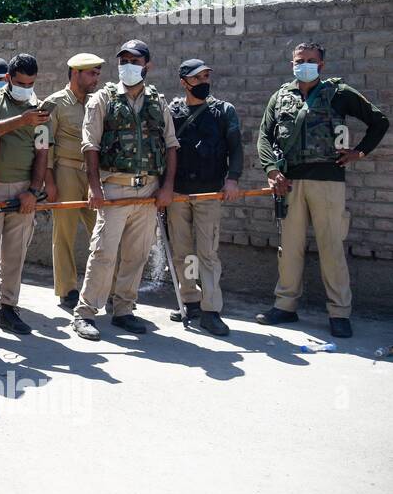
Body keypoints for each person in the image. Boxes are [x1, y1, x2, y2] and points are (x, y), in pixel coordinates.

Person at [256, 42, 387, 338]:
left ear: (322, 66)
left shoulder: (339, 94)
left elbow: (378, 121)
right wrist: (272, 170)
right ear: (292, 63)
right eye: (299, 60)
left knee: (331, 248)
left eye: (311, 60)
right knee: (289, 248)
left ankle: (339, 313)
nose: (304, 64)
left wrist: (359, 153)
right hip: (290, 182)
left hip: (328, 182)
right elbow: (264, 136)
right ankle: (285, 306)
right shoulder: (280, 97)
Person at [70, 40, 179, 340]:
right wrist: (94, 187)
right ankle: (85, 312)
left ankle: (123, 310)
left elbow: (171, 145)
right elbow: (90, 145)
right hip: (114, 190)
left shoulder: (158, 101)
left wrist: (167, 186)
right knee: (103, 253)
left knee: (136, 255)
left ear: (147, 65)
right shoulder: (103, 99)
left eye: (135, 60)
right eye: (124, 60)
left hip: (148, 191)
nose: (128, 65)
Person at [165, 59, 243, 336]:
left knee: (207, 254)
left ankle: (211, 310)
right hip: (177, 194)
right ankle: (190, 300)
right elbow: (165, 150)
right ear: (184, 82)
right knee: (183, 254)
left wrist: (232, 179)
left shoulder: (223, 111)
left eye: (207, 76)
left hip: (209, 193)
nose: (204, 82)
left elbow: (235, 148)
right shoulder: (172, 112)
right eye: (197, 78)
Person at [0, 53, 53, 336]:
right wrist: (22, 121)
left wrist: (34, 191)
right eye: (21, 82)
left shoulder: (41, 110)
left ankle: (9, 308)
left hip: (23, 190)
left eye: (31, 83)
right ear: (8, 79)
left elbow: (42, 153)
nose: (27, 87)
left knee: (15, 254)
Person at [43, 54, 105, 309]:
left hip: (93, 175)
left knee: (102, 233)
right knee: (64, 234)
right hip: (65, 172)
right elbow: (43, 144)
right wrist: (49, 181)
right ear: (76, 73)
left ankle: (103, 288)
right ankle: (67, 289)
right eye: (92, 73)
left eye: (97, 74)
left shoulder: (97, 102)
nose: (96, 79)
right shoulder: (53, 103)